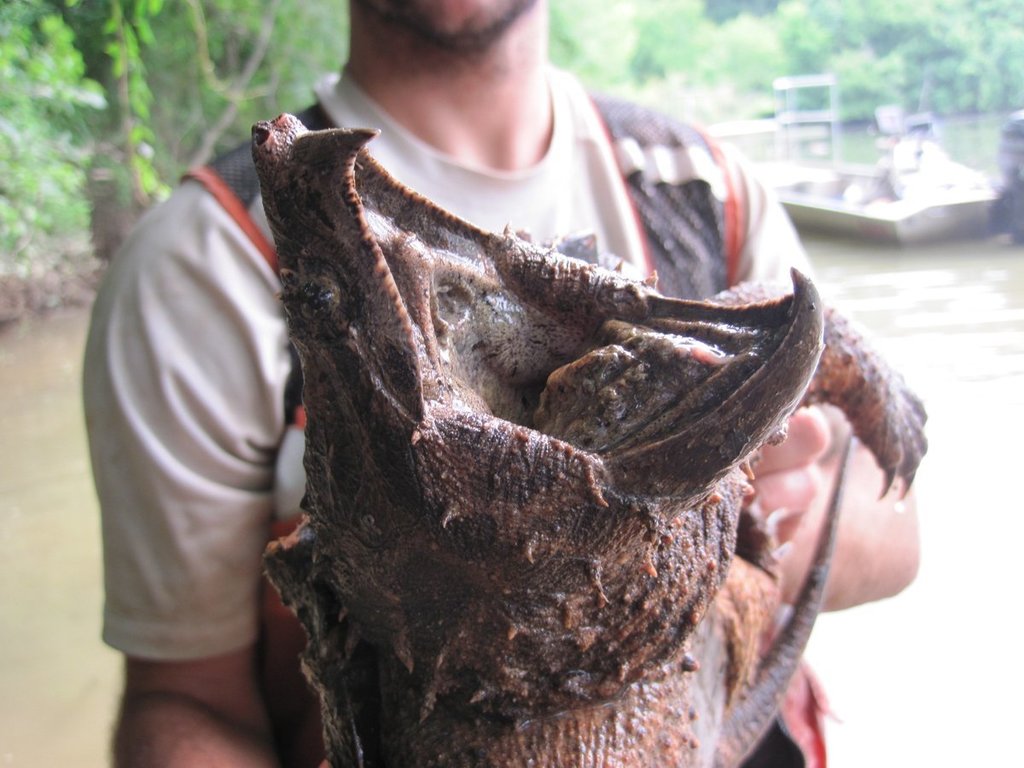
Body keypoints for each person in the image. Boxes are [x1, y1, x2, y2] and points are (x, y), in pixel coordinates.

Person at [83, 1, 920, 765]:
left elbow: (900, 534)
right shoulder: (202, 268)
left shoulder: (704, 188)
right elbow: (187, 697)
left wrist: (761, 528)